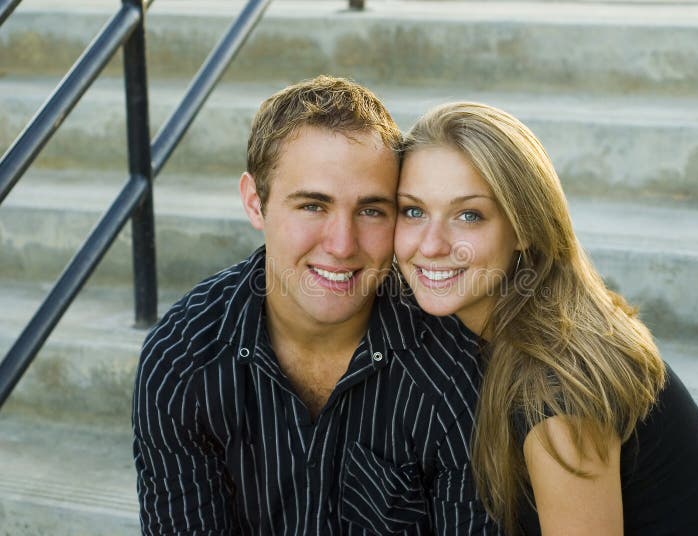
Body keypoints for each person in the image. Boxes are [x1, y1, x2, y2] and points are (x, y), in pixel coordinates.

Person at [132, 77, 497, 535]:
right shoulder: (184, 360)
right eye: (312, 206)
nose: (342, 245)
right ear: (255, 202)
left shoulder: (455, 367)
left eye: (370, 210)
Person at [394, 101, 698, 535]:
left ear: (524, 228)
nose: (430, 245)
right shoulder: (481, 328)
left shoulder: (557, 389)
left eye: (469, 215)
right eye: (413, 211)